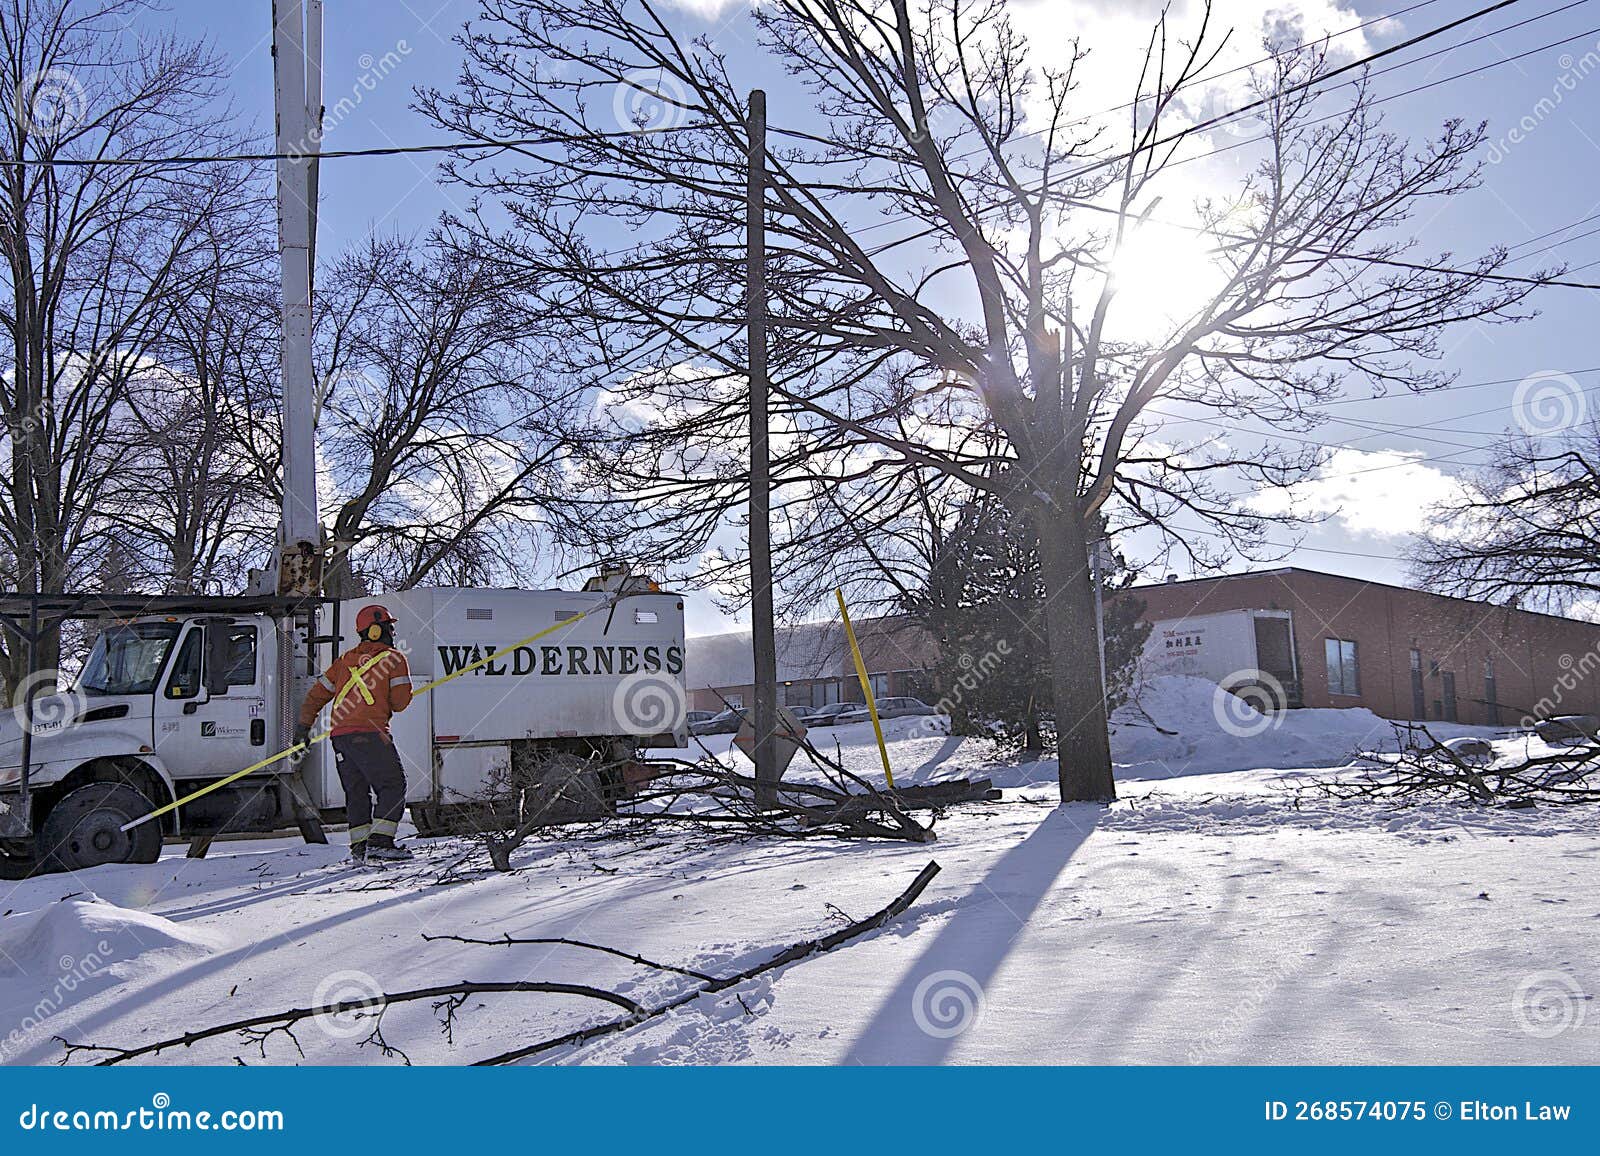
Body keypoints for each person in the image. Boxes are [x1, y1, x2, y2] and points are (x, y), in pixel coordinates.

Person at [295, 604, 415, 864]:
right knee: (393, 785)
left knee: (357, 792)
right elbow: (401, 703)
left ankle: (360, 848)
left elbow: (316, 695)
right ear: (374, 631)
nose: (392, 632)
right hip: (371, 734)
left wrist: (303, 727)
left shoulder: (344, 661)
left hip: (341, 738)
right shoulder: (394, 659)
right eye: (388, 627)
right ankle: (381, 843)